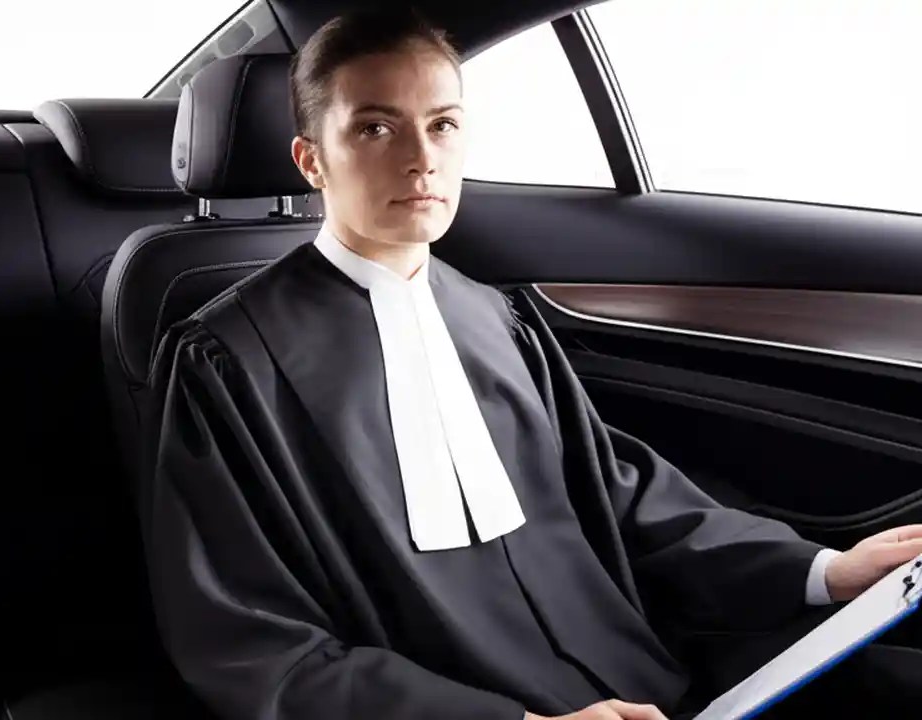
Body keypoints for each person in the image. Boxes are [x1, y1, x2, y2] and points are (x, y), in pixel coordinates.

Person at [140, 9, 922, 720]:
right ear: (312, 160)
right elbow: (254, 642)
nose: (421, 160)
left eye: (442, 125)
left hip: (647, 673)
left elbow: (620, 496)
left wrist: (823, 570)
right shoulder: (228, 361)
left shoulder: (492, 314)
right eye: (376, 129)